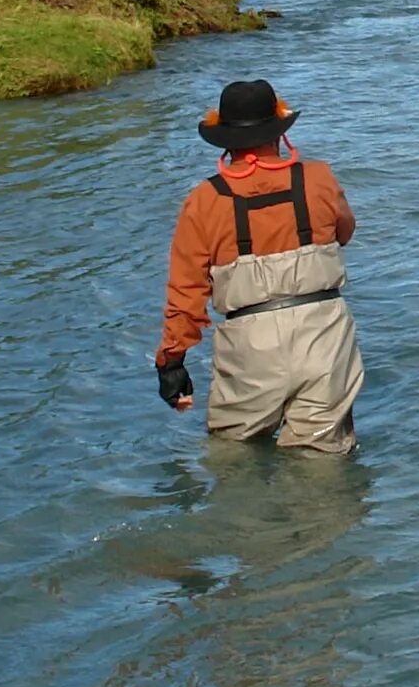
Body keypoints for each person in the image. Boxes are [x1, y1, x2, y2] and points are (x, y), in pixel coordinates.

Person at [155, 79, 364, 454]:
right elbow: (344, 232)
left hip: (250, 344)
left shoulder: (203, 200)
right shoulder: (317, 178)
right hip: (325, 334)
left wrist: (172, 363)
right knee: (323, 465)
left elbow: (186, 291)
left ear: (225, 141)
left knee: (233, 461)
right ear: (279, 132)